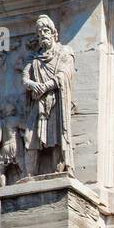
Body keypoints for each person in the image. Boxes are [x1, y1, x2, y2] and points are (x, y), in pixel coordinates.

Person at [22, 14, 74, 174]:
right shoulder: (34, 58)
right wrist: (33, 84)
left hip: (56, 101)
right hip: (38, 103)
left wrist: (45, 86)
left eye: (46, 30)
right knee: (30, 138)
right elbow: (24, 79)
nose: (43, 34)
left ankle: (58, 172)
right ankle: (29, 174)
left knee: (56, 137)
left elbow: (65, 73)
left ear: (53, 33)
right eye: (39, 33)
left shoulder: (65, 52)